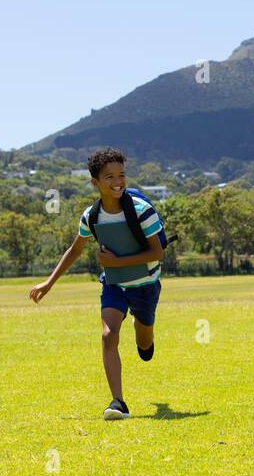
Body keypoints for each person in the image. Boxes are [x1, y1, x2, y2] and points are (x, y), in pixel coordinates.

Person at [29, 147, 165, 420]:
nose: (117, 182)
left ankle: (145, 340)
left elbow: (157, 253)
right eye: (109, 177)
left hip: (145, 285)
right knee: (108, 335)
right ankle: (118, 403)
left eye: (121, 175)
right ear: (95, 182)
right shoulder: (91, 216)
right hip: (113, 285)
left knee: (145, 341)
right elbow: (75, 249)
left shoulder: (141, 211)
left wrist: (116, 262)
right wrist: (49, 282)